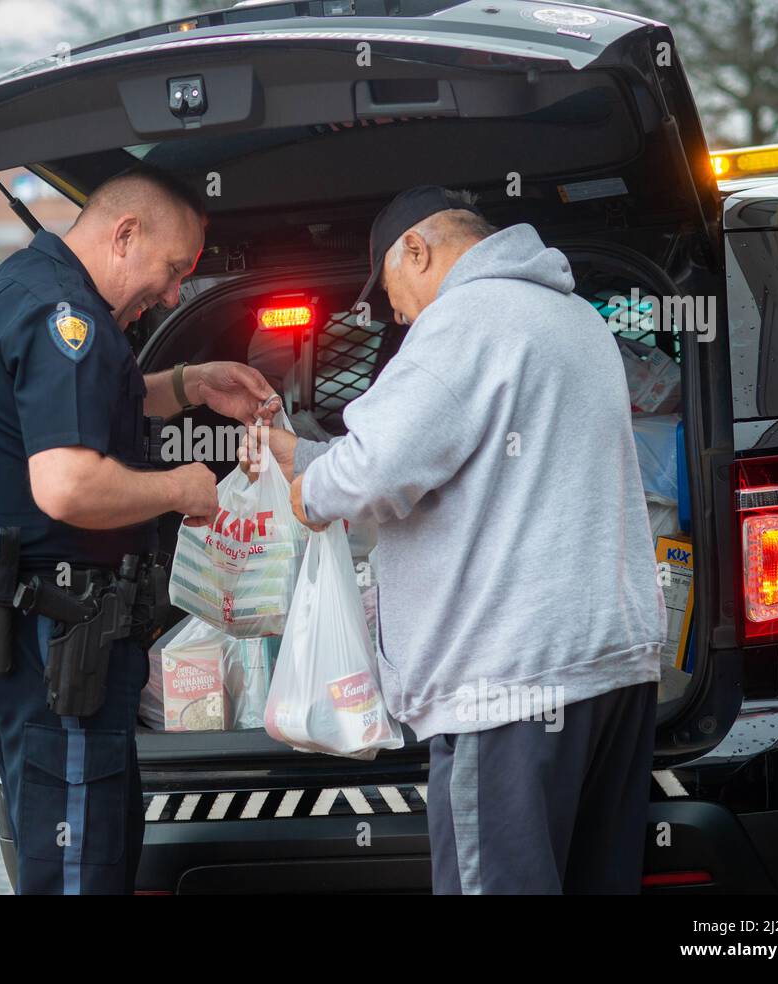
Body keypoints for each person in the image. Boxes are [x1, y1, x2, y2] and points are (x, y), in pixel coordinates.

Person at [245, 186, 666, 894]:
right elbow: (463, 462)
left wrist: (311, 493)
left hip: (506, 685)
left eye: (392, 293)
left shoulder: (466, 318)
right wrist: (304, 458)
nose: (399, 315)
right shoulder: (569, 317)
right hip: (611, 670)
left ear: (418, 248)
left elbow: (373, 472)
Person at [0, 164, 276, 895]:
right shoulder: (70, 320)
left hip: (17, 622)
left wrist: (190, 383)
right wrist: (181, 489)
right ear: (125, 234)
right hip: (56, 638)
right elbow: (67, 484)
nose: (175, 291)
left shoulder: (21, 292)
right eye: (172, 268)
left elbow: (83, 402)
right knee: (77, 867)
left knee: (88, 843)